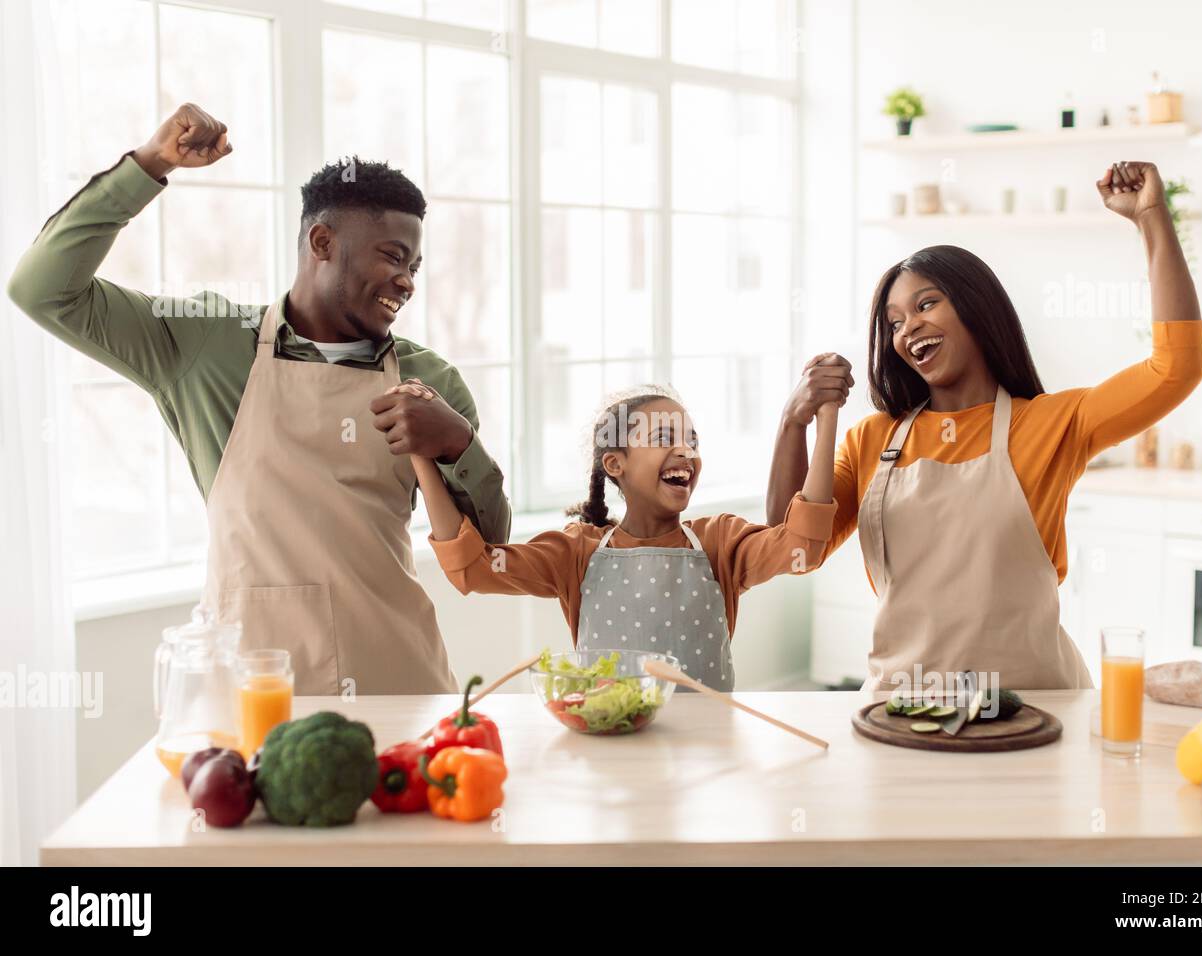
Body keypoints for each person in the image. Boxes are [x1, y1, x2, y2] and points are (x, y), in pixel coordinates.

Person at [7, 103, 511, 695]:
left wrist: (458, 444)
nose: (408, 281)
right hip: (252, 695)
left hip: (397, 683)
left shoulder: (431, 382)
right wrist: (148, 165)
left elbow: (488, 558)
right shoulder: (206, 344)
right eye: (394, 258)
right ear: (321, 241)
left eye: (415, 266)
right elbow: (43, 291)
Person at [765, 161, 1202, 691]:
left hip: (1034, 709)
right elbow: (790, 548)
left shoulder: (1052, 424)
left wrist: (1152, 217)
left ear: (976, 308)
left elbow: (1176, 366)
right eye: (895, 323)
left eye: (927, 304)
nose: (910, 329)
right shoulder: (872, 440)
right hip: (904, 709)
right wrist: (795, 422)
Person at [409, 383, 840, 690]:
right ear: (615, 464)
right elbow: (471, 569)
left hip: (706, 750)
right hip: (610, 750)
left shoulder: (720, 543)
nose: (686, 453)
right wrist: (421, 456)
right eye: (664, 439)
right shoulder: (576, 553)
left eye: (692, 442)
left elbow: (803, 546)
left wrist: (826, 423)